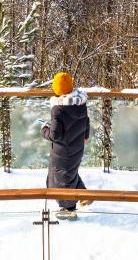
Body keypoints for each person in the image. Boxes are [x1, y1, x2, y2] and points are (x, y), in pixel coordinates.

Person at [41, 71, 91, 220]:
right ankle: (84, 195)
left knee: (63, 178)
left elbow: (55, 135)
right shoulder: (80, 102)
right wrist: (85, 136)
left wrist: (44, 129)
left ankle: (69, 210)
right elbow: (86, 121)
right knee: (70, 172)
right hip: (77, 146)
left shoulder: (58, 108)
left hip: (63, 151)